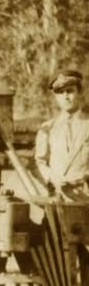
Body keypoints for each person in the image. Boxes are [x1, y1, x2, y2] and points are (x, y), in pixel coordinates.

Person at [34, 69, 89, 199]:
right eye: (60, 92)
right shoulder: (47, 128)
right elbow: (38, 161)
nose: (65, 96)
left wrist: (84, 178)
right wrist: (51, 179)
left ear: (79, 92)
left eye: (70, 90)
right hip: (57, 199)